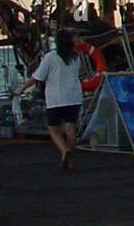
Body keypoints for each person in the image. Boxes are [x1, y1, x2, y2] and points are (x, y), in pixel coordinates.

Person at [20, 29, 85, 171]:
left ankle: (64, 150)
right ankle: (70, 158)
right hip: (74, 97)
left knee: (53, 129)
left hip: (56, 98)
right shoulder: (76, 57)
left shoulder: (51, 57)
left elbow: (37, 77)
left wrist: (22, 89)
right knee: (70, 128)